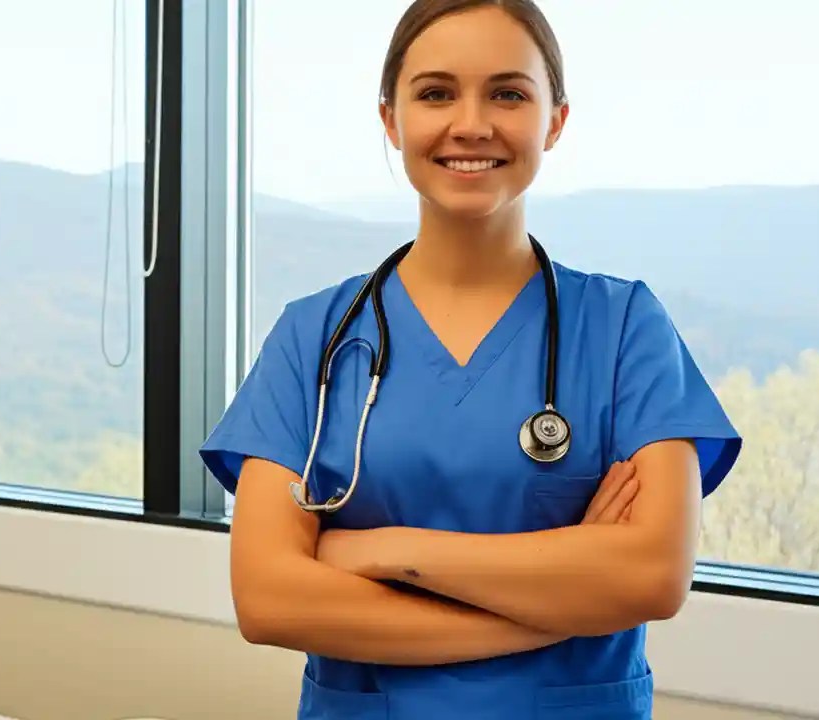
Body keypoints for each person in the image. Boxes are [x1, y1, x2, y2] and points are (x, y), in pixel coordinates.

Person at [198, 0, 742, 717]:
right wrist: (560, 596)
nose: (471, 123)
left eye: (509, 94)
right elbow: (269, 599)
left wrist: (378, 550)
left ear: (555, 120)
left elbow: (652, 576)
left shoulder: (622, 329)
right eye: (435, 93)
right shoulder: (315, 338)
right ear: (391, 120)